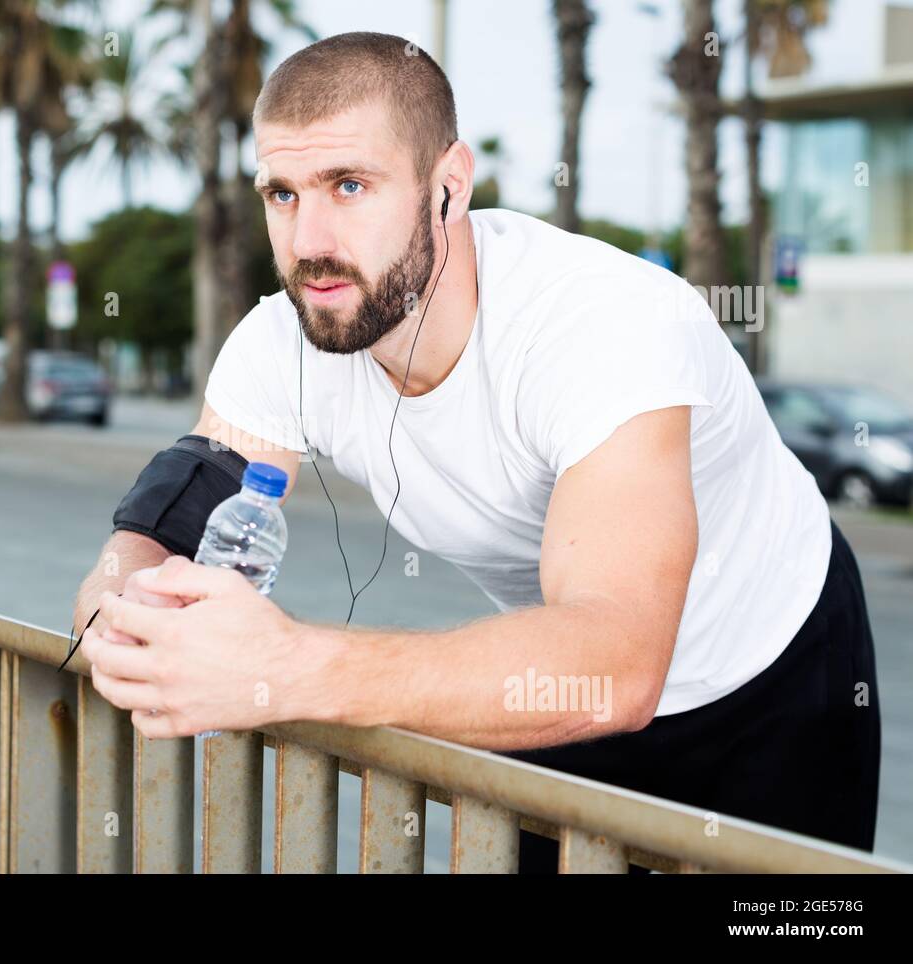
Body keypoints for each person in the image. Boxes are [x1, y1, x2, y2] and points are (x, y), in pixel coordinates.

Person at [71, 32, 881, 871]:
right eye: (281, 193)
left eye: (349, 185)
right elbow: (171, 513)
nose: (309, 238)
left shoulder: (601, 322)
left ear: (448, 186)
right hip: (544, 675)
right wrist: (119, 607)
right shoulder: (284, 339)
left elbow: (615, 665)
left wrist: (287, 667)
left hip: (773, 671)